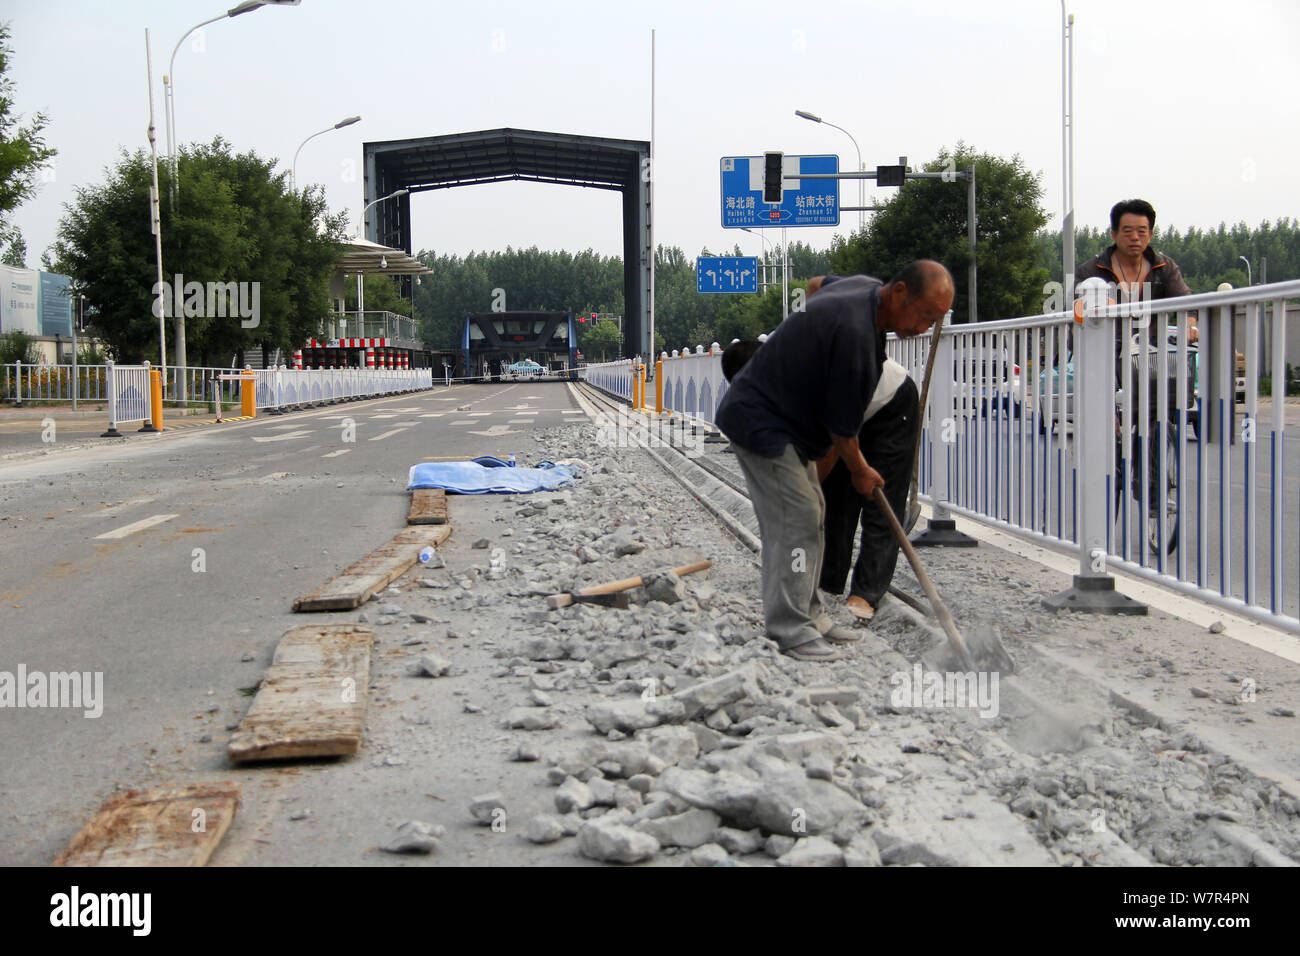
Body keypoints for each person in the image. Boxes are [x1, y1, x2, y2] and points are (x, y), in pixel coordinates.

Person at [715, 260, 955, 661]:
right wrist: (861, 470)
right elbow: (842, 433)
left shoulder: (863, 284)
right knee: (799, 519)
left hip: (785, 422)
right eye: (925, 315)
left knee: (814, 511)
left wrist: (810, 338)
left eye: (935, 321)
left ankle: (810, 616)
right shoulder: (854, 338)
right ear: (898, 293)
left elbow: (815, 284)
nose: (924, 328)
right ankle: (790, 629)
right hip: (762, 426)